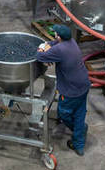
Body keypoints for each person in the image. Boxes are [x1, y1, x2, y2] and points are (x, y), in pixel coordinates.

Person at [36, 24, 91, 156]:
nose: (54, 35)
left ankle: (80, 131)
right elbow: (54, 44)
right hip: (84, 85)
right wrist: (48, 44)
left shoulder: (60, 50)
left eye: (55, 33)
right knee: (79, 112)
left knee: (64, 112)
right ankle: (79, 144)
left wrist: (41, 48)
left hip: (71, 91)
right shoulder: (71, 42)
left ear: (59, 36)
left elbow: (39, 57)